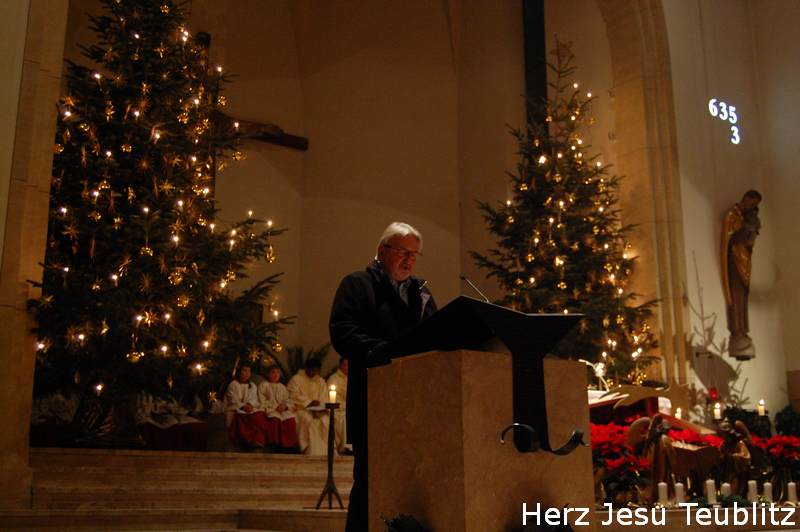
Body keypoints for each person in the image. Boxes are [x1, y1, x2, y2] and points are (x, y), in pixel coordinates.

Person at [329, 222, 437, 532]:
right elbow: (342, 332)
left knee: (414, 483)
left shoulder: (422, 293)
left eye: (414, 254)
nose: (410, 260)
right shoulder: (357, 284)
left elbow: (437, 335)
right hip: (374, 400)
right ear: (381, 251)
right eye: (403, 252)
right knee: (370, 482)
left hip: (416, 404)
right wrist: (384, 351)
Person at [720, 189, 762, 360]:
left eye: (755, 205)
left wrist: (752, 232)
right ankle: (737, 330)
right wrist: (746, 230)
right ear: (745, 199)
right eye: (751, 203)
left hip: (744, 259)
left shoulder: (748, 217)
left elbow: (750, 241)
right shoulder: (733, 215)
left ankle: (743, 330)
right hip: (734, 260)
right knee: (736, 295)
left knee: (743, 297)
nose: (752, 207)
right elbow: (730, 240)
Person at [287, 357, 329, 455]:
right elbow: (292, 395)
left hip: (318, 410)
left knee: (326, 421)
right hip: (301, 409)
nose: (313, 373)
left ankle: (325, 451)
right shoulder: (296, 379)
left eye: (316, 371)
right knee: (309, 421)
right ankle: (309, 449)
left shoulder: (321, 381)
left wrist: (320, 408)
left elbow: (324, 397)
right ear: (306, 368)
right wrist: (309, 403)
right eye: (311, 370)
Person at [224, 364, 269, 448]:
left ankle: (258, 440)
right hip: (237, 407)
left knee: (260, 415)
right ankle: (246, 440)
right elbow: (232, 399)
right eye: (244, 370)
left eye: (249, 371)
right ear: (239, 372)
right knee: (242, 416)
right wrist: (243, 406)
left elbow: (254, 398)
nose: (247, 373)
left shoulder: (252, 385)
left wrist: (250, 404)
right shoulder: (233, 384)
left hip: (249, 407)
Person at [257, 365, 299, 451]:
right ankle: (274, 444)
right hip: (270, 409)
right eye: (273, 372)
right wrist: (274, 406)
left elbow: (288, 400)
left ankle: (289, 445)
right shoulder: (263, 385)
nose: (276, 375)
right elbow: (261, 400)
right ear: (268, 374)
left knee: (290, 418)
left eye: (278, 373)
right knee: (275, 419)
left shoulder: (282, 387)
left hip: (282, 409)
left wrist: (285, 406)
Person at [327, 357, 349, 454]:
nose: (348, 367)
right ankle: (345, 447)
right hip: (338, 409)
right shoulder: (333, 379)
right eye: (345, 365)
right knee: (345, 418)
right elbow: (333, 399)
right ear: (340, 366)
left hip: (348, 408)